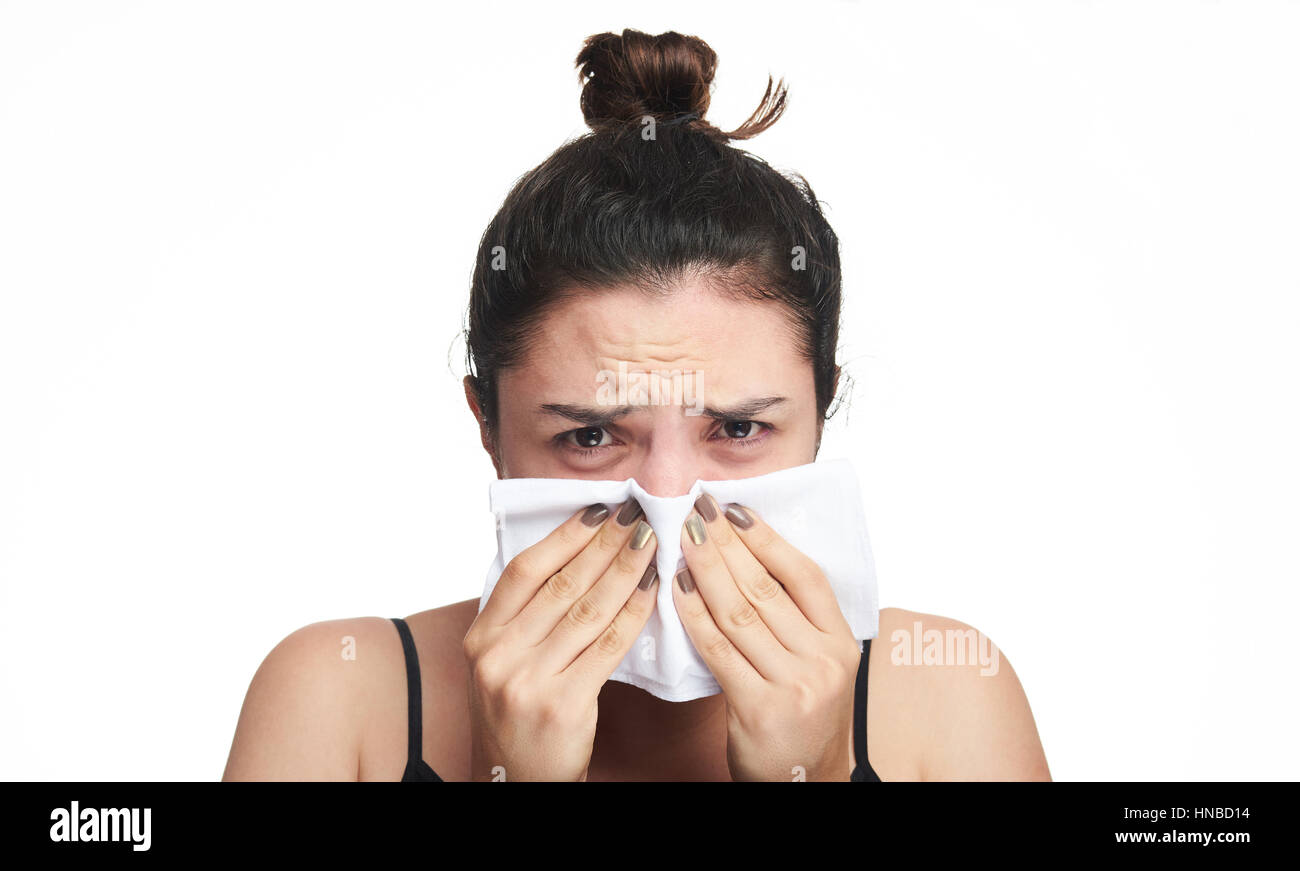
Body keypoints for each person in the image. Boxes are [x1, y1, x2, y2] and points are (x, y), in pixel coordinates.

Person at [222, 28, 1051, 782]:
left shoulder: (951, 697)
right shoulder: (338, 699)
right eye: (589, 434)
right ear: (488, 425)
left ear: (822, 408)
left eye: (736, 428)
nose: (664, 497)